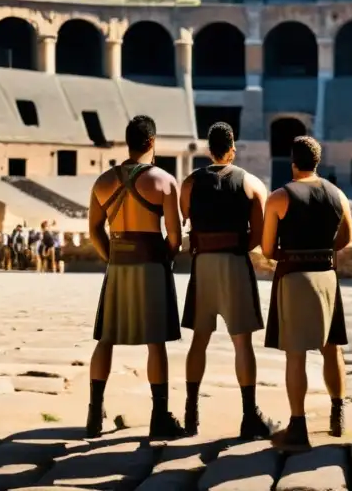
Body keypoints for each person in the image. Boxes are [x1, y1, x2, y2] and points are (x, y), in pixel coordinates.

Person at [86, 115, 184, 439]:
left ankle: (93, 414)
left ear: (127, 142)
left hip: (118, 264)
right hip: (152, 265)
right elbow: (175, 237)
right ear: (152, 142)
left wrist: (111, 258)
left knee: (106, 339)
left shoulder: (102, 181)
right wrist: (164, 258)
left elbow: (94, 231)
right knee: (155, 343)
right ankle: (159, 417)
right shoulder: (164, 181)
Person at [180, 122, 272, 439]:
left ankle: (190, 414)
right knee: (242, 342)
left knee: (199, 340)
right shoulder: (251, 183)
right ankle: (249, 416)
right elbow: (258, 235)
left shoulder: (190, 183)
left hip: (203, 263)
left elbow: (187, 219)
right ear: (233, 149)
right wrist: (236, 247)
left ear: (209, 150)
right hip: (234, 263)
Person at [262, 136, 352, 452]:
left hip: (294, 277)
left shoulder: (278, 198)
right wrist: (322, 250)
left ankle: (298, 426)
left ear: (293, 162)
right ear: (317, 161)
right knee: (332, 349)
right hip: (326, 275)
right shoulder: (337, 194)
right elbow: (346, 238)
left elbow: (267, 248)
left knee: (296, 354)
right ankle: (337, 414)